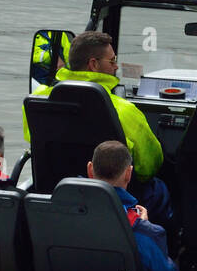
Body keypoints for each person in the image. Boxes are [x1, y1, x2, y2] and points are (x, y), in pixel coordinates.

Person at [25, 31, 174, 229]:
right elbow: (149, 167)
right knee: (160, 187)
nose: (116, 66)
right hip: (114, 200)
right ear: (94, 64)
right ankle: (166, 245)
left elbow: (32, 139)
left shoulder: (38, 102)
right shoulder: (125, 111)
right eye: (112, 60)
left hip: (58, 192)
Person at [88, 140, 194, 271]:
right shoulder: (145, 232)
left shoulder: (58, 212)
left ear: (90, 169)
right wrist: (144, 226)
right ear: (129, 174)